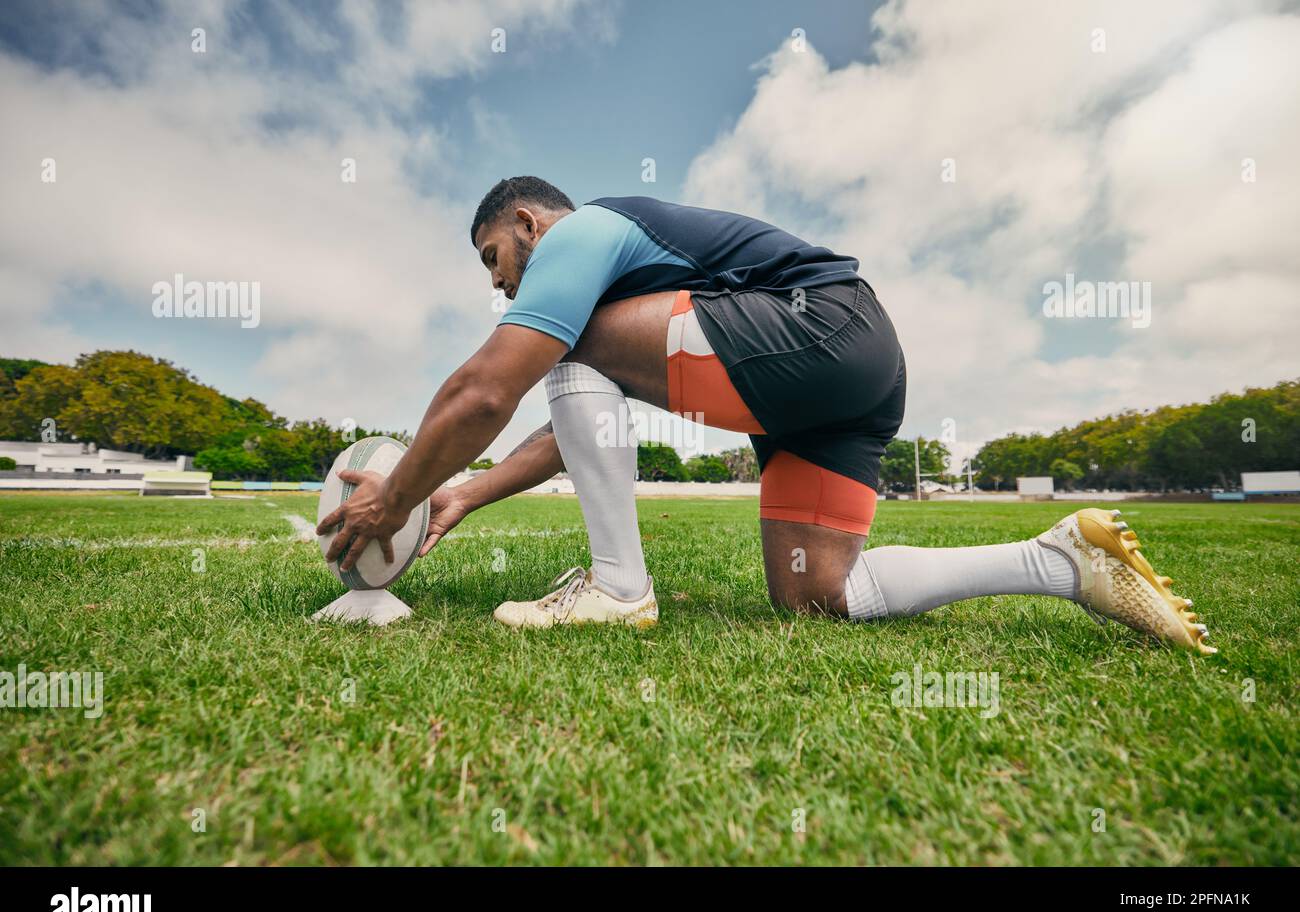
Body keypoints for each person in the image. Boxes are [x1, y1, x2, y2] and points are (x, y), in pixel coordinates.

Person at [316, 176, 1212, 653]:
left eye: (496, 257)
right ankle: (1058, 560)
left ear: (528, 222)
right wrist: (463, 494)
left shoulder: (582, 232)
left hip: (824, 326)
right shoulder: (624, 319)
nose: (502, 282)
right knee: (820, 592)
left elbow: (484, 390)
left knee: (565, 339)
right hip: (852, 377)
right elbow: (573, 430)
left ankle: (619, 589)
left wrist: (395, 497)